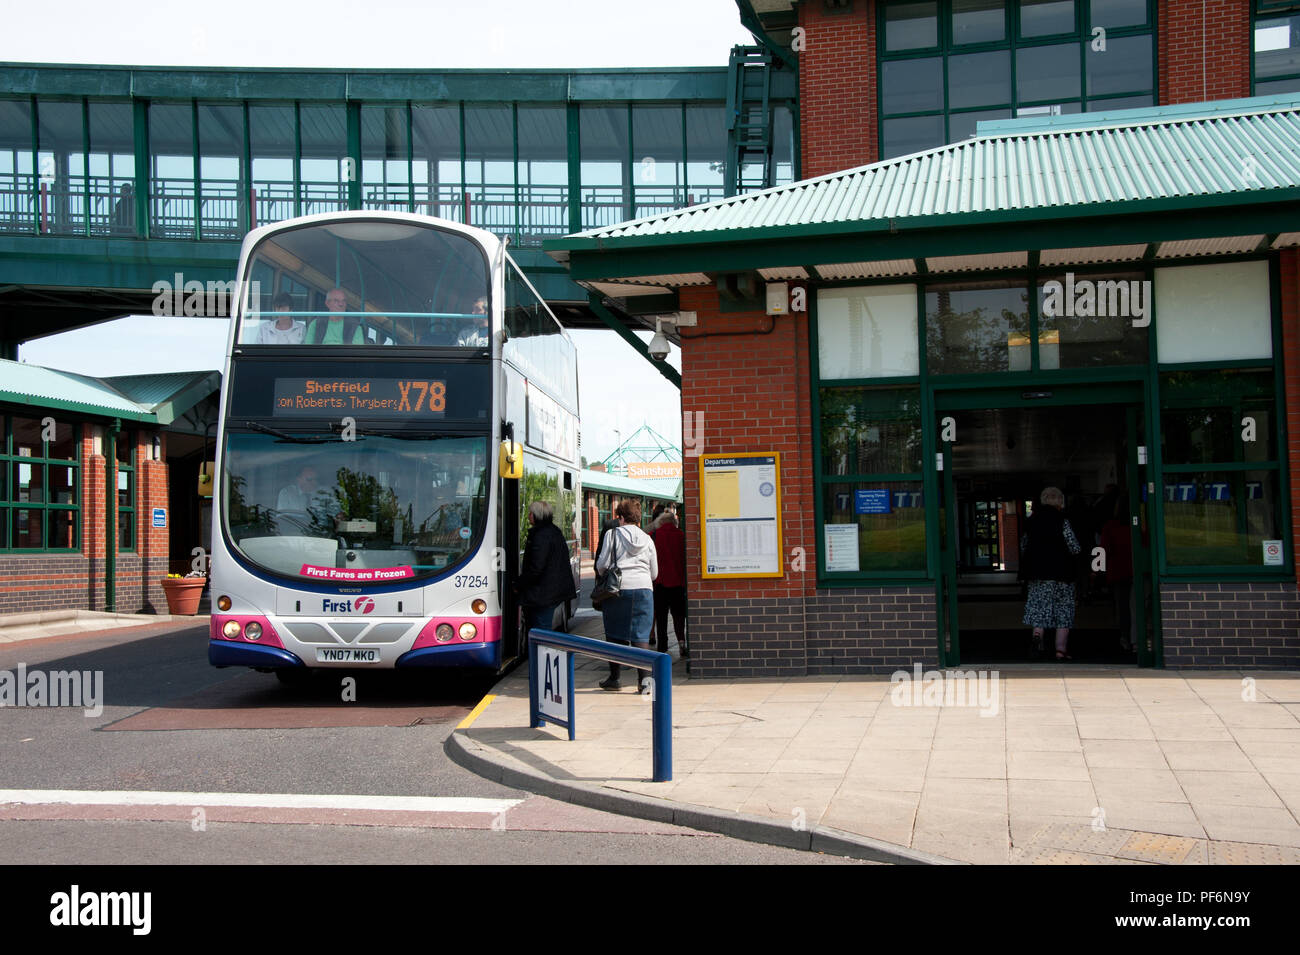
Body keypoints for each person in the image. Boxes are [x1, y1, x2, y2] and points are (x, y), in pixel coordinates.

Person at [594, 499, 657, 691]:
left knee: (614, 635)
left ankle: (615, 678)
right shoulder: (647, 539)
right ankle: (645, 683)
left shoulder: (612, 535)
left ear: (621, 517)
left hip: (618, 590)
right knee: (641, 637)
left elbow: (602, 564)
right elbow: (654, 573)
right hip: (644, 590)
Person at [1021, 486, 1082, 660]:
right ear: (1060, 502)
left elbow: (1024, 546)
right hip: (1063, 573)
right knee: (1064, 610)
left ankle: (1037, 638)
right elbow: (1074, 546)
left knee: (1040, 608)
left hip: (1038, 573)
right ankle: (1060, 650)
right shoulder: (1063, 520)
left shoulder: (1031, 521)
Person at [515, 501, 577, 646]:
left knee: (540, 633)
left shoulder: (540, 536)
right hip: (551, 591)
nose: (528, 516)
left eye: (530, 513)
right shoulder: (554, 531)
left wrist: (519, 584)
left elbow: (536, 568)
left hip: (542, 594)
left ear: (537, 516)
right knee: (542, 631)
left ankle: (539, 665)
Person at [1099, 494, 1135, 653]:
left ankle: (1125, 637)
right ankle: (1137, 638)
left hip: (1118, 571)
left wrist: (1097, 569)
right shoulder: (1141, 523)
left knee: (1122, 606)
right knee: (1137, 606)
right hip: (1137, 570)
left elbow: (1104, 548)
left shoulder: (1110, 526)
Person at [651, 509, 687, 657]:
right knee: (679, 615)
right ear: (674, 522)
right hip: (678, 583)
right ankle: (681, 642)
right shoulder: (682, 536)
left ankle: (662, 646)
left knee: (661, 616)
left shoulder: (653, 536)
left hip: (659, 583)